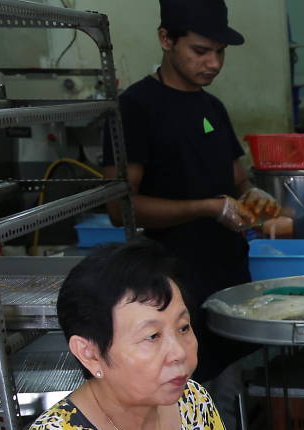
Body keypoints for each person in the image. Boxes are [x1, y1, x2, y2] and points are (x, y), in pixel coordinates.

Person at [11, 239, 285, 430]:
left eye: (183, 328)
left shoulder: (192, 403)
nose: (179, 353)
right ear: (90, 353)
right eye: (152, 337)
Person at [102, 0, 274, 389]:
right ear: (166, 39)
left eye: (220, 53)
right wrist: (209, 208)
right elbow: (120, 208)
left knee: (230, 400)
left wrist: (259, 203)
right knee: (188, 403)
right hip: (174, 289)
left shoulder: (212, 106)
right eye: (200, 51)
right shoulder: (135, 108)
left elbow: (239, 183)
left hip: (228, 281)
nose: (212, 63)